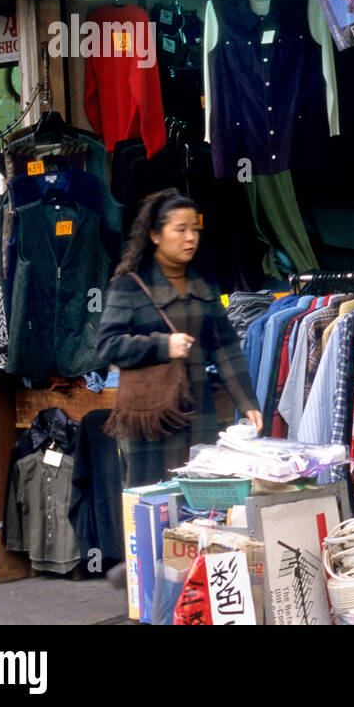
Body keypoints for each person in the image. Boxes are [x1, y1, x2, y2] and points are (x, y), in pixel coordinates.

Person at [97, 189, 263, 487]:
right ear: (155, 235)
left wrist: (247, 401)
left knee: (199, 495)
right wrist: (162, 346)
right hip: (150, 416)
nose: (191, 238)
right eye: (180, 230)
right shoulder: (129, 285)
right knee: (148, 502)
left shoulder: (203, 282)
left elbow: (225, 346)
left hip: (198, 412)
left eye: (194, 229)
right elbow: (108, 345)